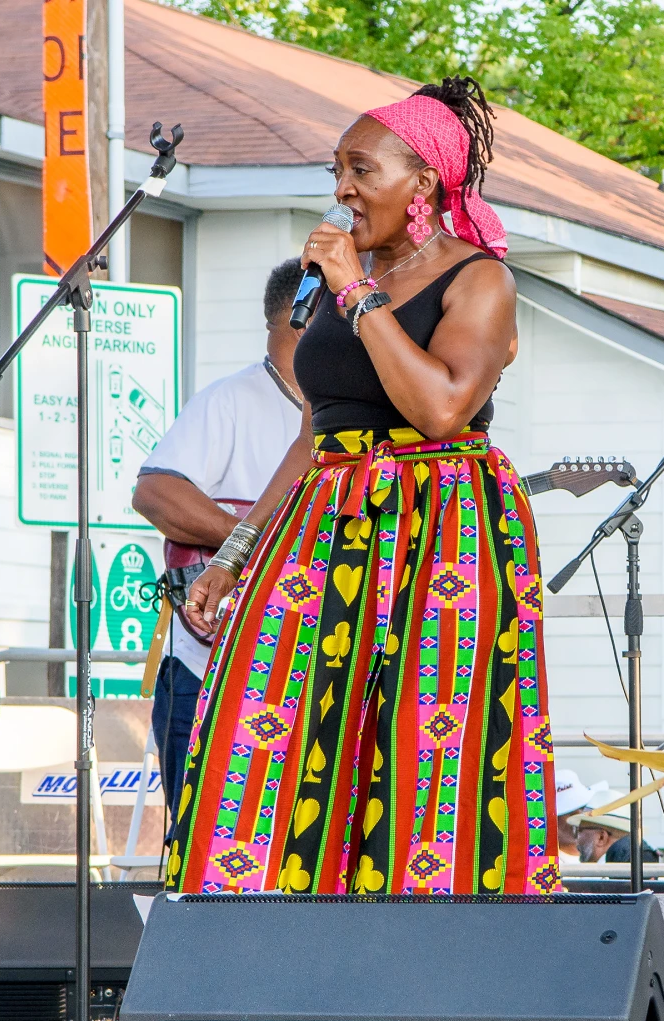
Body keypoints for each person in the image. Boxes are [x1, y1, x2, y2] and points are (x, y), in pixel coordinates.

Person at [166, 76, 557, 897]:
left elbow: (443, 407)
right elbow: (318, 431)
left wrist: (356, 292)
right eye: (337, 171)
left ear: (425, 183)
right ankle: (264, 937)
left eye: (361, 170)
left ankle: (438, 954)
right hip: (328, 518)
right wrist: (234, 552)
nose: (342, 189)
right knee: (263, 730)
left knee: (429, 746)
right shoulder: (343, 290)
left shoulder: (479, 280)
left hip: (443, 525)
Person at [132, 259, 306, 824]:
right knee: (197, 842)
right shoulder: (231, 400)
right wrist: (250, 545)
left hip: (299, 677)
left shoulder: (348, 420)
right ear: (306, 317)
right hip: (208, 674)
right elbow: (155, 492)